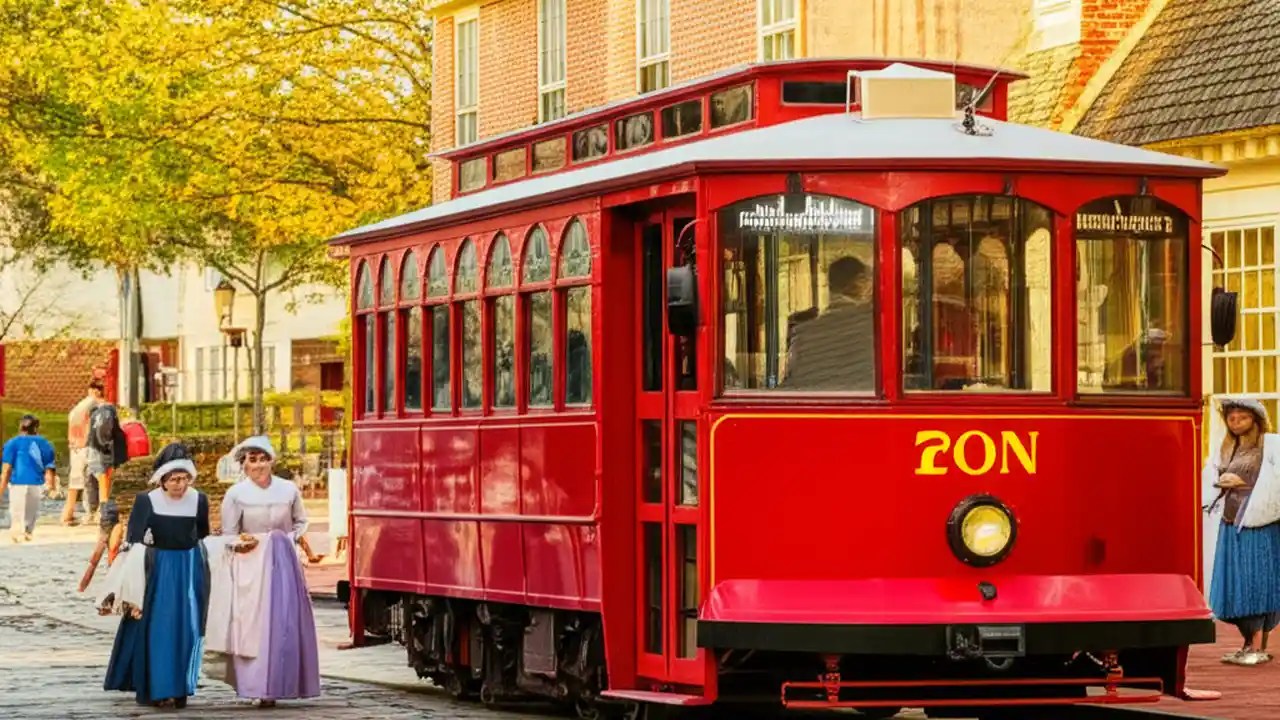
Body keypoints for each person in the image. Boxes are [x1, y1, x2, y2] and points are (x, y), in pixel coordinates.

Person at [209, 435, 320, 706]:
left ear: (271, 461)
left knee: (284, 620)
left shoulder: (288, 489)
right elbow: (229, 532)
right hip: (251, 562)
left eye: (262, 459)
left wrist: (287, 539)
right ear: (244, 465)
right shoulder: (236, 494)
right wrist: (240, 545)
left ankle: (281, 681)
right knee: (253, 624)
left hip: (282, 560)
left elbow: (300, 521)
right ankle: (255, 685)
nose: (258, 465)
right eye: (251, 459)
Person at [101, 443, 211, 708]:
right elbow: (134, 540)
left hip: (189, 566)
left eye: (184, 478)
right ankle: (156, 687)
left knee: (187, 628)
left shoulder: (199, 499)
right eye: (174, 479)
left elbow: (203, 533)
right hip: (158, 568)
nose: (179, 485)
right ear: (162, 479)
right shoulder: (147, 500)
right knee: (158, 629)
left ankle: (181, 686)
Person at [1205, 398, 1280, 665]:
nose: (1236, 422)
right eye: (1231, 418)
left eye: (1243, 418)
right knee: (1234, 584)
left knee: (1256, 582)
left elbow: (1274, 481)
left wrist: (1243, 481)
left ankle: (1257, 645)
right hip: (1231, 520)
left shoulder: (1269, 447)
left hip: (1257, 521)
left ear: (1256, 420)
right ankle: (1248, 643)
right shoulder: (1227, 448)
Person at [780, 256, 876, 391]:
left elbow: (794, 383)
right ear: (859, 283)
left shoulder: (803, 335)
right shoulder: (873, 328)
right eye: (869, 283)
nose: (871, 290)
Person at [0, 415, 57, 543]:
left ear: (21, 427)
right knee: (31, 516)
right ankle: (27, 532)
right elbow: (49, 468)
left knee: (16, 514)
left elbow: (6, 469)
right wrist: (51, 487)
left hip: (17, 484)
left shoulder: (12, 443)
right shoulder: (44, 443)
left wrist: (1, 489)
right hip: (36, 485)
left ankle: (18, 533)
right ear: (36, 428)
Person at [64, 378, 106, 526]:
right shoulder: (96, 405)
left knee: (75, 482)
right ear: (97, 391)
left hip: (74, 446)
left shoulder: (78, 407)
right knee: (97, 480)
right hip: (86, 446)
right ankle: (96, 513)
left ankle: (67, 514)